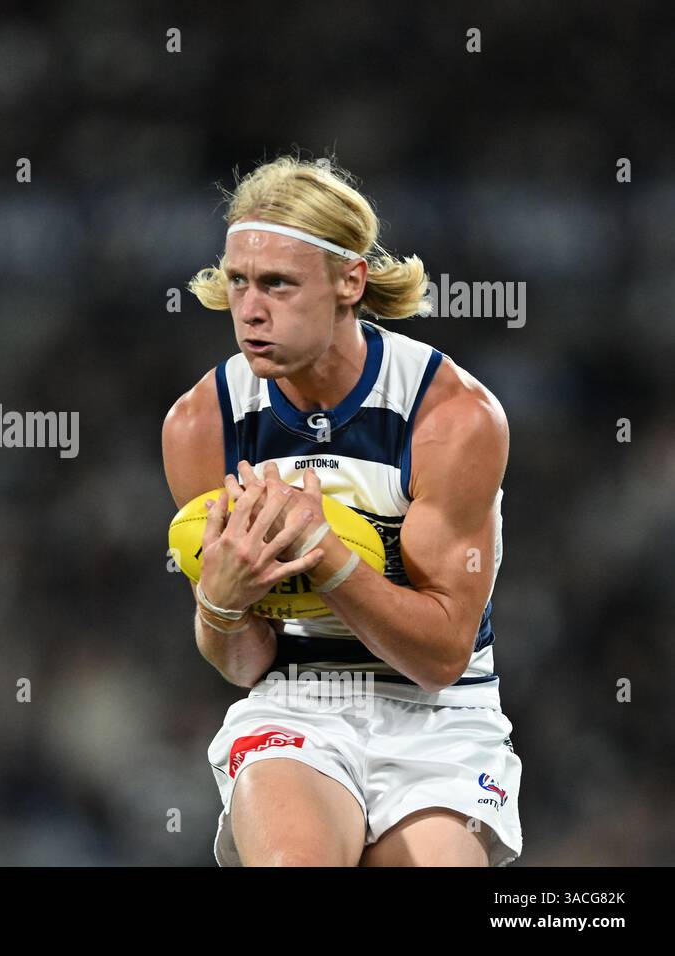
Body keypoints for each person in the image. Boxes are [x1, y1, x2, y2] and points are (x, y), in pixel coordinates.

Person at [162, 156, 522, 866]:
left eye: (277, 284)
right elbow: (243, 666)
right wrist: (221, 608)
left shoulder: (451, 416)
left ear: (349, 280)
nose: (250, 309)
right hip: (297, 699)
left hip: (439, 717)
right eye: (238, 281)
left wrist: (326, 559)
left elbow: (441, 658)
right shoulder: (203, 424)